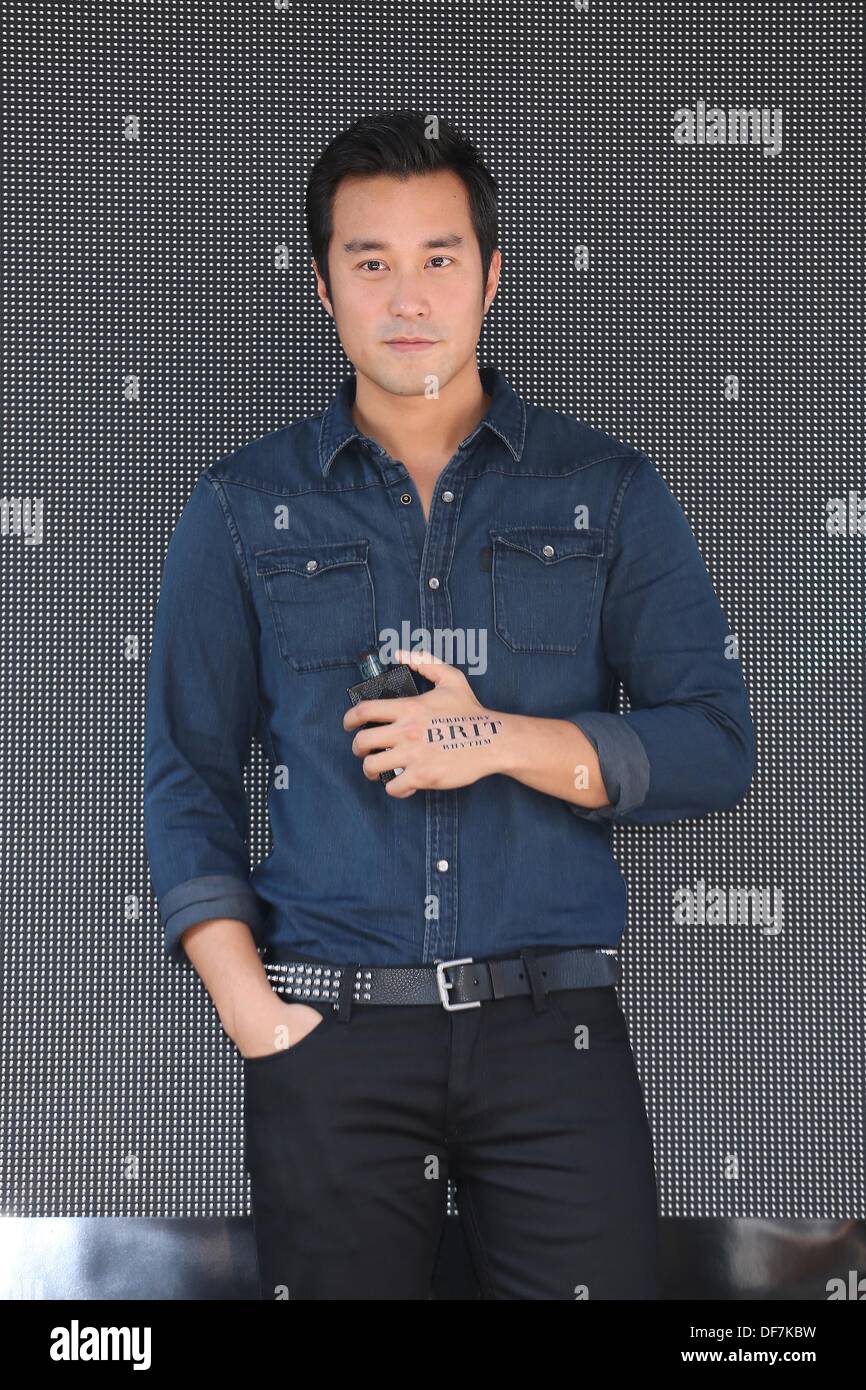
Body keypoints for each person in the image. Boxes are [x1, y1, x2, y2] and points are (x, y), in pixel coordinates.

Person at [143, 109, 755, 1301]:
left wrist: (491, 738)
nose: (406, 294)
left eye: (439, 257)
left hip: (552, 1035)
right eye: (369, 261)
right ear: (322, 286)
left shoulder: (606, 491)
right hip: (331, 1038)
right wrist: (253, 1018)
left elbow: (713, 745)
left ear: (491, 277)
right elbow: (188, 777)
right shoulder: (237, 508)